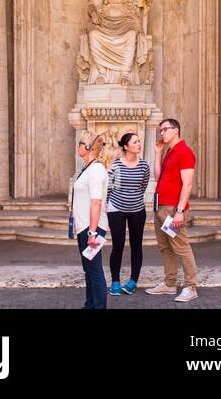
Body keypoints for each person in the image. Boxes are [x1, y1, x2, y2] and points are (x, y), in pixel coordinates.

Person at [146, 116, 198, 302]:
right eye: (160, 130)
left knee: (181, 247)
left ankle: (191, 287)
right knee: (165, 248)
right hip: (161, 207)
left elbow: (188, 183)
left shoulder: (184, 151)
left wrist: (179, 211)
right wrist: (158, 153)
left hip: (172, 210)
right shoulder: (170, 151)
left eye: (165, 129)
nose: (162, 133)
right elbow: (158, 177)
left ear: (176, 130)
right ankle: (169, 284)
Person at [107, 132, 150, 296]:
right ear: (126, 147)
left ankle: (133, 281)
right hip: (116, 210)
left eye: (139, 141)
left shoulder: (144, 166)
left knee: (136, 246)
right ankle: (115, 282)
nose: (139, 144)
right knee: (117, 245)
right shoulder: (116, 165)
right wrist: (109, 207)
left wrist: (133, 199)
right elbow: (110, 188)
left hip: (137, 211)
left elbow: (143, 186)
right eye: (135, 142)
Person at [73, 132, 109, 310]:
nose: (77, 146)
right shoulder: (88, 168)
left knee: (94, 272)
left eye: (80, 143)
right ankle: (90, 305)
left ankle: (99, 307)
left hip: (91, 228)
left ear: (88, 148)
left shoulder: (95, 170)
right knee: (89, 271)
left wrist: (92, 232)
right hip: (84, 227)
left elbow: (96, 202)